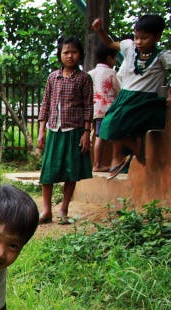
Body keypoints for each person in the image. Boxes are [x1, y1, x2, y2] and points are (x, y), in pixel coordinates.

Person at [93, 14, 171, 177]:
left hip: (145, 100)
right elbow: (109, 43)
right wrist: (100, 31)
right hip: (125, 97)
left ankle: (132, 153)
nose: (139, 42)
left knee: (120, 127)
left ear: (157, 37)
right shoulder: (129, 48)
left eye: (144, 38)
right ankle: (138, 151)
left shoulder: (162, 57)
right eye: (136, 37)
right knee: (107, 125)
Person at [36, 36, 93, 225]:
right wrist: (41, 131)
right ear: (60, 54)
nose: (70, 56)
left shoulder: (84, 79)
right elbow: (45, 104)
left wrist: (87, 133)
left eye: (74, 52)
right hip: (54, 129)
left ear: (80, 55)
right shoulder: (53, 77)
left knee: (71, 171)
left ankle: (63, 209)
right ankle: (46, 210)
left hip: (75, 130)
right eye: (65, 52)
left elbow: (88, 107)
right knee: (48, 171)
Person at [88, 43, 121, 172]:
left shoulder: (90, 73)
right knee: (110, 137)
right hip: (110, 111)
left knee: (98, 136)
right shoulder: (112, 73)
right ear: (109, 58)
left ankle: (98, 163)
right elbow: (119, 91)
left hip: (96, 110)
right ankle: (100, 164)